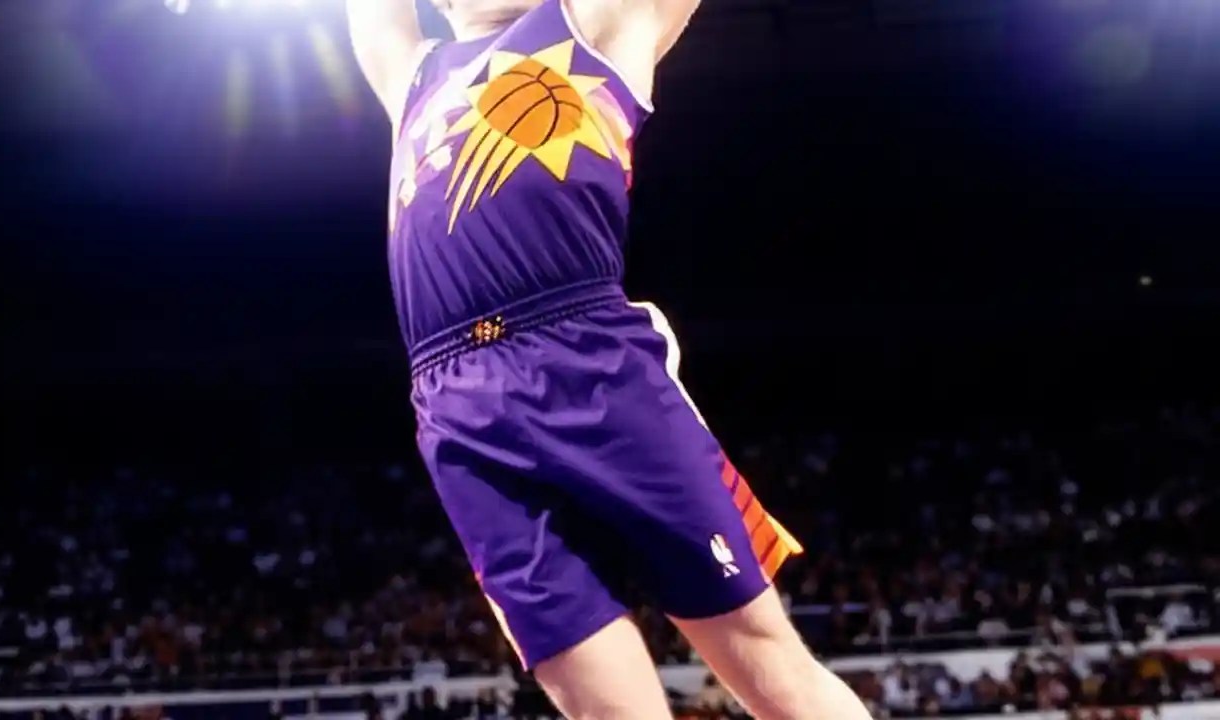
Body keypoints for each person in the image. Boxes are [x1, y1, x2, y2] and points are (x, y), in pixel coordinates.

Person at [346, 0, 876, 716]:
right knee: (599, 703)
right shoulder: (413, 76)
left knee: (761, 658)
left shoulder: (588, 21)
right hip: (455, 407)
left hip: (585, 360)